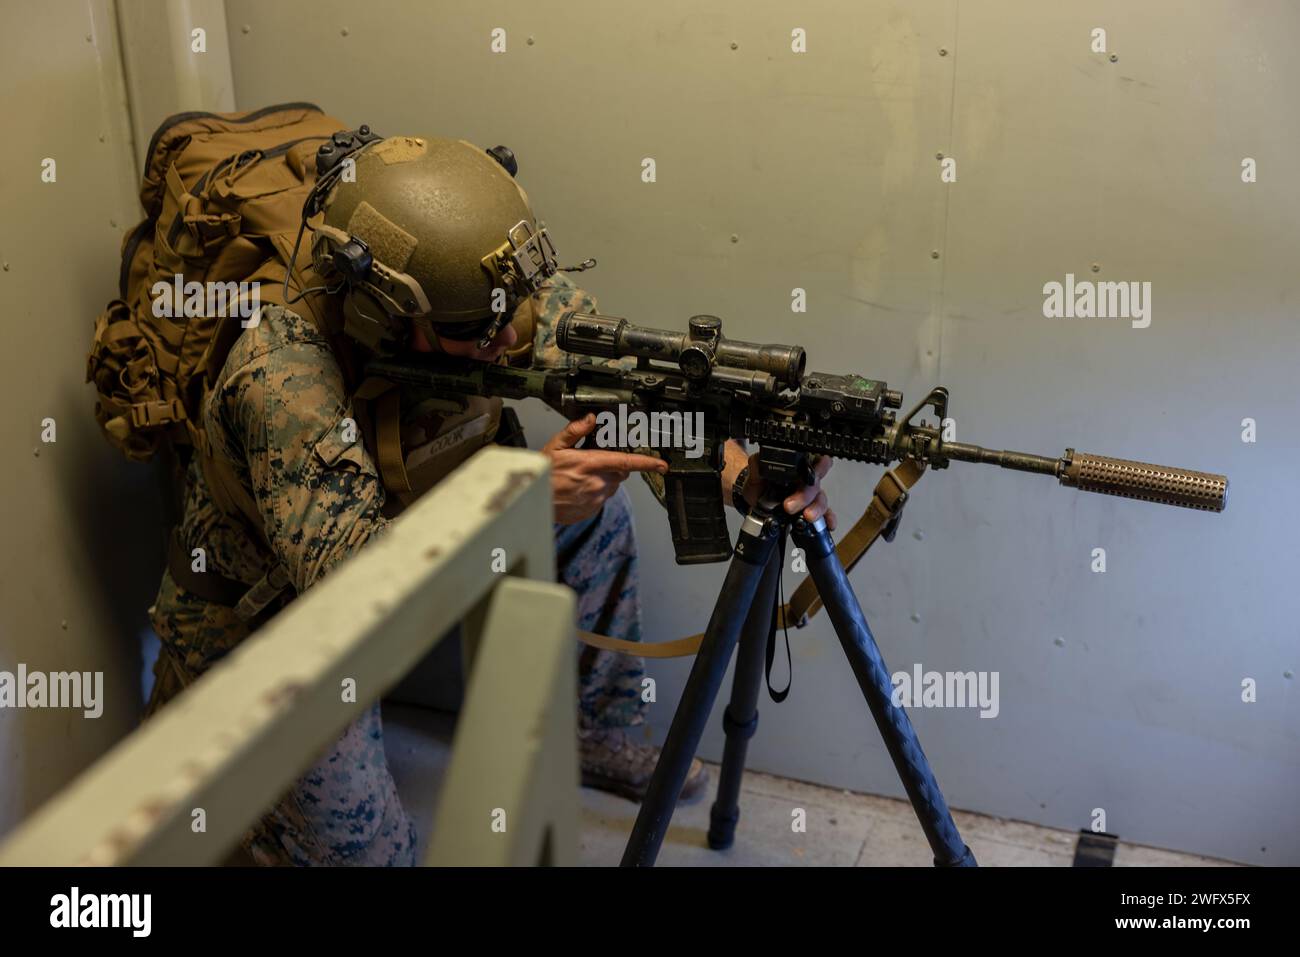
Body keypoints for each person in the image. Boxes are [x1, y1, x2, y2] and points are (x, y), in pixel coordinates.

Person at [145, 133, 835, 865]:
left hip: (427, 534)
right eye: (479, 332)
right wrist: (526, 502)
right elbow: (347, 587)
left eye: (509, 314)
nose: (508, 337)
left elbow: (626, 386)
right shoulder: (282, 371)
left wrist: (738, 474)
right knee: (368, 852)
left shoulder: (478, 290)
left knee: (596, 515)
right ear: (384, 315)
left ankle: (596, 727)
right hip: (277, 618)